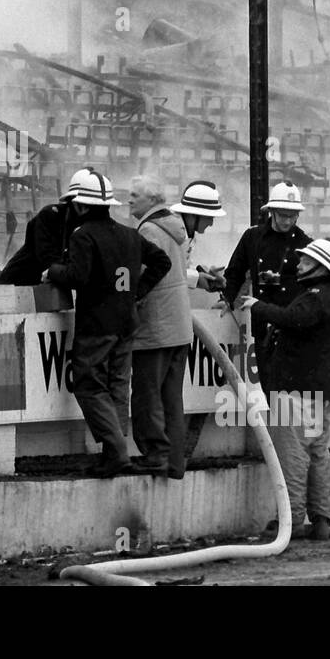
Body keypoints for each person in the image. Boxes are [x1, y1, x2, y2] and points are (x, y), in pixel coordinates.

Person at [46, 169, 171, 477]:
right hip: (127, 322)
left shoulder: (83, 235)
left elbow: (78, 275)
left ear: (80, 205)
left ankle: (115, 452)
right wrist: (135, 293)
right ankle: (117, 451)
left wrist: (53, 272)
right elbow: (161, 262)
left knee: (89, 385)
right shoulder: (130, 233)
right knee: (118, 386)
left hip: (98, 324)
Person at [240, 237, 330, 540]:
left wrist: (257, 305)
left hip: (296, 389)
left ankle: (291, 520)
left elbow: (294, 319)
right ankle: (321, 518)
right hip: (320, 391)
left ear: (317, 266)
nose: (297, 264)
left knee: (292, 454)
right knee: (317, 453)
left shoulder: (315, 297)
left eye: (303, 260)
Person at [129, 177, 226, 479]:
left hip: (157, 328)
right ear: (194, 213)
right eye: (208, 218)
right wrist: (198, 278)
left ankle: (156, 456)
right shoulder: (175, 230)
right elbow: (171, 271)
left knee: (148, 394)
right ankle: (174, 461)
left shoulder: (153, 229)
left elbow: (154, 273)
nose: (209, 225)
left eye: (134, 196)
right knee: (171, 397)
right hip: (179, 327)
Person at [223, 181, 312, 397]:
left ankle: (286, 430)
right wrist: (228, 298)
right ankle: (279, 430)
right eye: (283, 215)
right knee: (271, 390)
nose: (288, 221)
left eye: (292, 216)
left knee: (291, 394)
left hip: (293, 328)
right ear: (271, 212)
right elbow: (234, 271)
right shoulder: (252, 237)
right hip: (263, 328)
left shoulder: (305, 243)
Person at [0, 167, 89, 285]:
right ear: (74, 201)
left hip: (45, 285)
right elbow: (46, 257)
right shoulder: (50, 216)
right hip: (20, 282)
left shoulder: (88, 226)